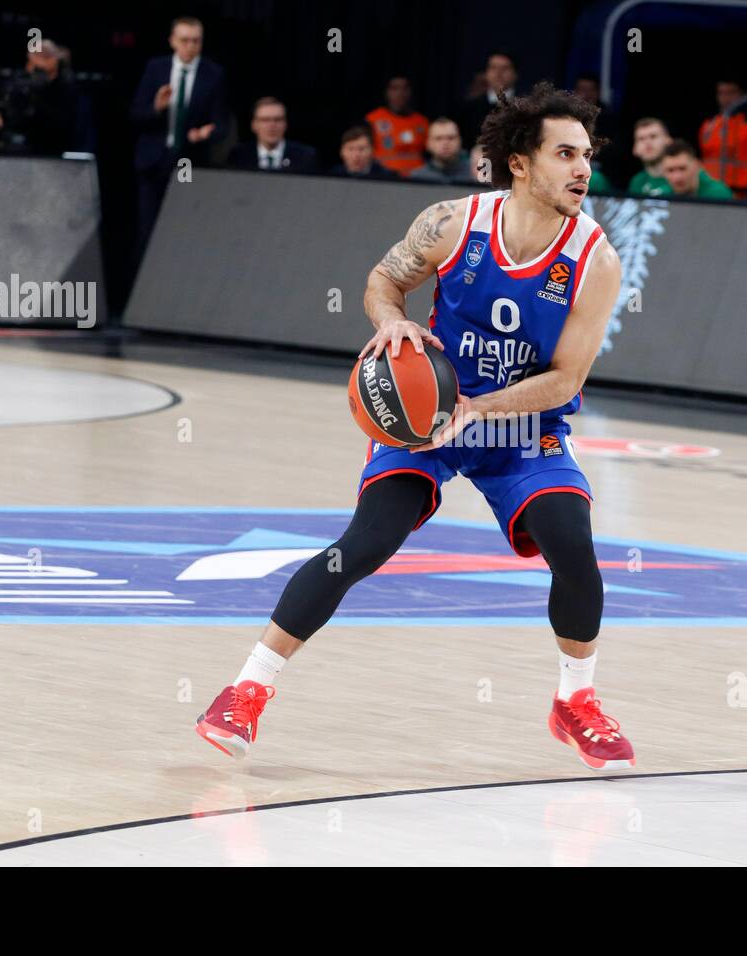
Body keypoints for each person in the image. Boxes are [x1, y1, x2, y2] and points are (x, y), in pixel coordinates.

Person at [195, 82, 633, 772]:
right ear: (519, 162)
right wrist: (391, 320)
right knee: (363, 545)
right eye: (564, 153)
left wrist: (483, 410)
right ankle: (246, 688)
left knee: (572, 544)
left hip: (517, 425)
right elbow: (383, 279)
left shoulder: (596, 258)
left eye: (586, 154)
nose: (583, 169)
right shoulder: (453, 223)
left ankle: (575, 701)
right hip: (427, 414)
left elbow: (567, 379)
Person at [130, 17, 229, 260]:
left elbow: (222, 125)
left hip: (190, 164)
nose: (190, 46)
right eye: (184, 40)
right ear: (173, 41)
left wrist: (205, 133)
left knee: (184, 233)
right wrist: (156, 107)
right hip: (154, 162)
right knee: (148, 233)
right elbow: (135, 115)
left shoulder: (214, 74)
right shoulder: (156, 69)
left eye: (196, 41)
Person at [0, 38, 78, 156]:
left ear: (52, 61)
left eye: (35, 64)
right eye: (29, 62)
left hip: (50, 145)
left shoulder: (65, 84)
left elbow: (62, 122)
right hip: (18, 142)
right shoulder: (24, 78)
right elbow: (7, 94)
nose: (29, 67)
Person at [697, 79, 747, 198]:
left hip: (741, 190)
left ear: (743, 94)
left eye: (731, 92)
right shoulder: (709, 124)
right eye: (721, 93)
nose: (726, 98)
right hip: (708, 188)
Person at [225, 97, 318, 173]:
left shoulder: (304, 156)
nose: (272, 125)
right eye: (265, 120)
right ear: (254, 125)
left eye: (278, 119)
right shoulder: (239, 156)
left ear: (285, 124)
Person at [366, 76, 429, 177]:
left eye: (405, 88)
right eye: (395, 88)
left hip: (418, 180)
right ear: (387, 92)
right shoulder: (372, 120)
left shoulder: (422, 122)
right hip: (384, 179)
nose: (400, 93)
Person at [458, 52, 519, 141]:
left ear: (515, 74)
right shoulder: (469, 108)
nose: (498, 73)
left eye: (505, 68)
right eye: (493, 68)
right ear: (486, 73)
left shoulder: (526, 105)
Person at [658, 140, 734, 199]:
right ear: (663, 172)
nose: (677, 177)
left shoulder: (718, 194)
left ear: (697, 166)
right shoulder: (660, 197)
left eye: (682, 169)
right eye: (670, 170)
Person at [407, 117, 475, 183]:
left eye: (451, 138)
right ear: (428, 143)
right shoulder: (417, 178)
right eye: (438, 138)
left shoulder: (474, 174)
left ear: (460, 141)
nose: (445, 143)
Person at [330, 126, 400, 179]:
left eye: (361, 149)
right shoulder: (332, 176)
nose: (356, 155)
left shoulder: (387, 177)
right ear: (341, 152)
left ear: (372, 152)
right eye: (350, 149)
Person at [627, 117, 673, 196]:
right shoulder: (636, 182)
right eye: (641, 139)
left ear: (669, 141)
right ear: (635, 149)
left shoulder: (689, 174)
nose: (647, 142)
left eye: (653, 136)